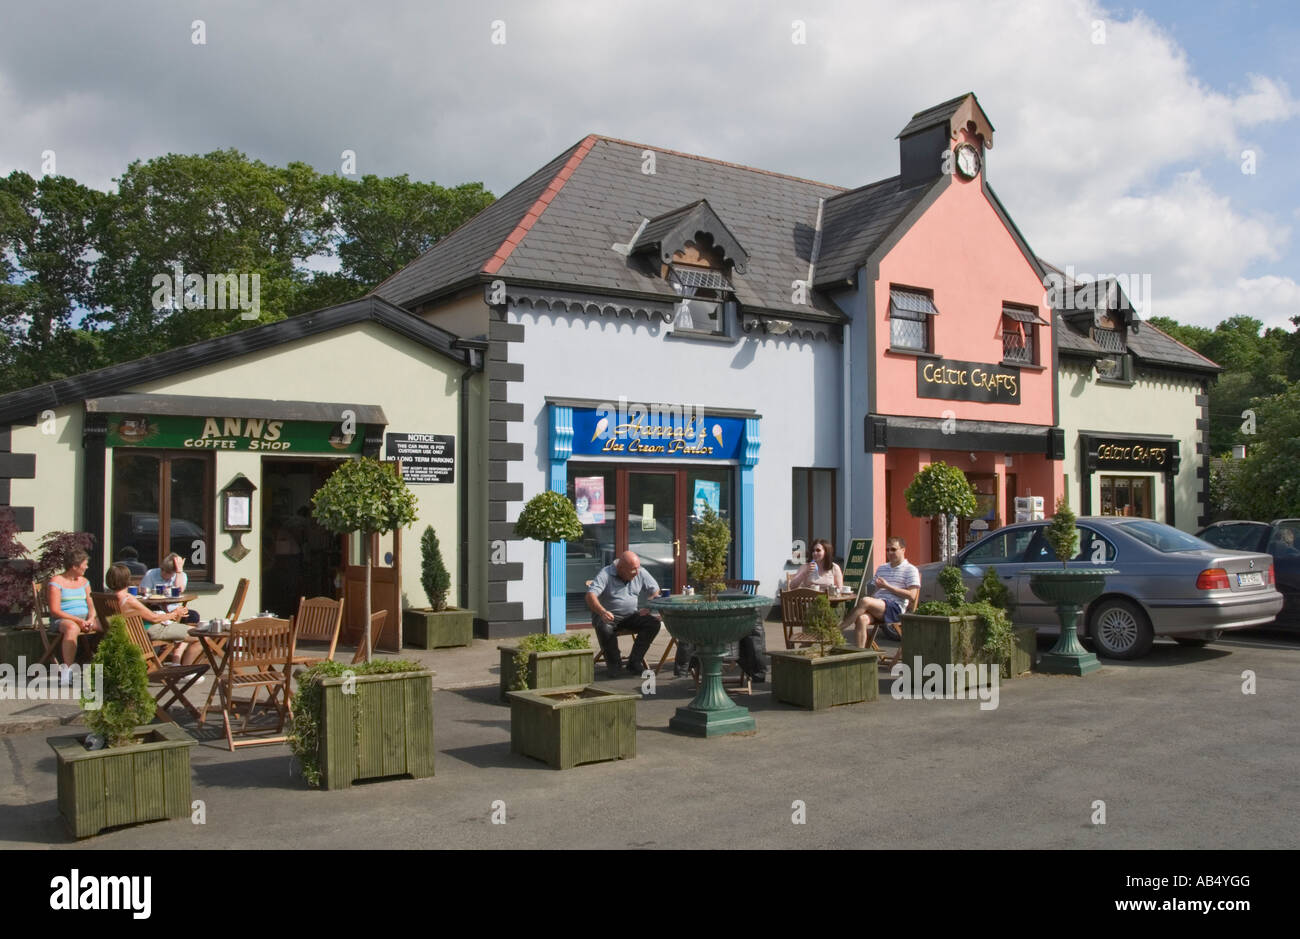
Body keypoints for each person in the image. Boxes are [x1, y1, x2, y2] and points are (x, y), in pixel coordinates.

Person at [586, 551, 662, 677]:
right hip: (608, 617)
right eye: (632, 570)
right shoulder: (606, 573)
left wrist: (648, 607)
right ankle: (614, 664)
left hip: (631, 616)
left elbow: (655, 590)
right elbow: (590, 595)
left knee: (653, 624)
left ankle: (634, 662)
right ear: (620, 568)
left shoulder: (640, 571)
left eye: (637, 569)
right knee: (604, 627)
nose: (636, 573)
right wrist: (602, 611)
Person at [107, 563, 202, 664]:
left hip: (128, 634)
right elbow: (154, 618)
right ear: (127, 579)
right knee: (200, 636)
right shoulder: (128, 599)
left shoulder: (106, 598)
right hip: (149, 631)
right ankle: (186, 671)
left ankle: (178, 662)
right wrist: (175, 613)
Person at [842, 536, 920, 649]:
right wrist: (877, 591)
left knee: (865, 600)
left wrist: (887, 586)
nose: (890, 552)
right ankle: (860, 655)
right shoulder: (882, 568)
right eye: (887, 550)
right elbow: (874, 591)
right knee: (861, 619)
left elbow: (912, 596)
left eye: (893, 549)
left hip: (895, 608)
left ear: (903, 550)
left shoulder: (910, 569)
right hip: (879, 605)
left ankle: (841, 628)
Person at [46, 549, 101, 680]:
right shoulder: (56, 582)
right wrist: (78, 620)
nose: (87, 567)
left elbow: (91, 604)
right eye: (84, 564)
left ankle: (110, 665)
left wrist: (91, 618)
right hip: (63, 619)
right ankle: (67, 672)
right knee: (72, 628)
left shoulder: (84, 581)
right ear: (74, 566)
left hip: (85, 619)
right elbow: (55, 610)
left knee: (112, 624)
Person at [140, 552, 200, 624]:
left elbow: (179, 589)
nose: (164, 573)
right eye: (163, 570)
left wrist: (179, 571)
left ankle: (176, 630)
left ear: (174, 572)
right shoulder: (151, 573)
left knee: (194, 616)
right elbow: (144, 591)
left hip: (174, 608)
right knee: (157, 613)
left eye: (168, 572)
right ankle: (169, 627)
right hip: (156, 608)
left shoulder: (181, 575)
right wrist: (157, 593)